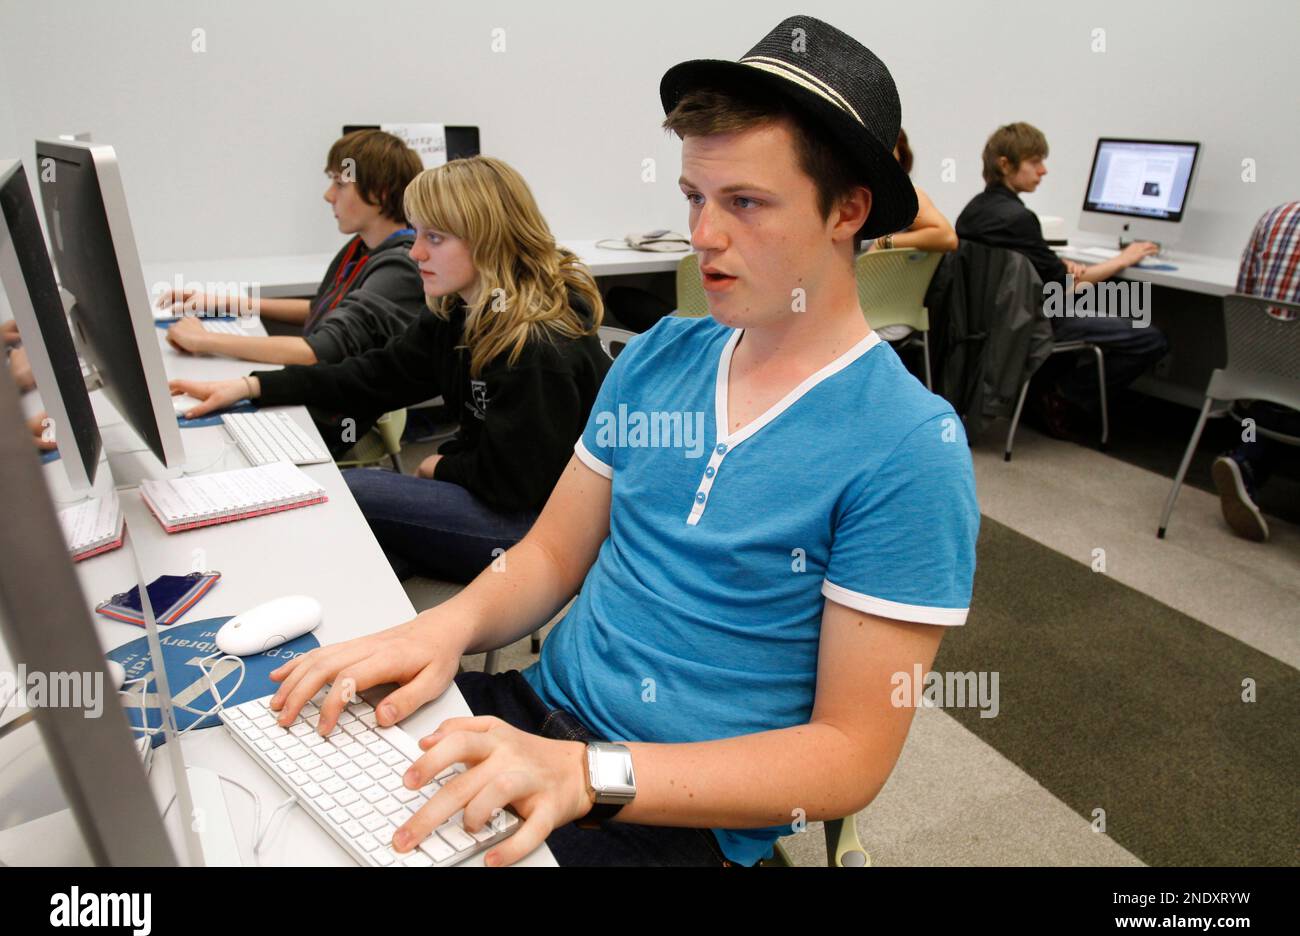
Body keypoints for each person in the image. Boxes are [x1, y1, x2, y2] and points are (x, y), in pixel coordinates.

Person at [263, 16, 979, 868]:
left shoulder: (908, 447)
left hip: (672, 810)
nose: (703, 234)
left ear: (848, 211)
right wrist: (440, 632)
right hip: (531, 715)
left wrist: (587, 773)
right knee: (283, 787)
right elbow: (551, 557)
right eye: (693, 198)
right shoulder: (663, 355)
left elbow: (848, 758)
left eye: (744, 203)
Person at [169, 157, 611, 582]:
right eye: (417, 233)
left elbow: (518, 486)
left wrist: (438, 467)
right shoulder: (455, 313)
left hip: (540, 529)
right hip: (488, 493)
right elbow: (370, 377)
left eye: (434, 238)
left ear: (488, 238)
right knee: (362, 546)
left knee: (345, 493)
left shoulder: (536, 346)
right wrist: (251, 386)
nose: (416, 252)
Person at [956, 122, 1168, 436]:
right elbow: (1065, 289)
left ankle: (1047, 396)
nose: (1043, 171)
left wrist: (1056, 265)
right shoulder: (1020, 219)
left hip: (992, 321)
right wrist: (1124, 260)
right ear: (1005, 164)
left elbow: (1021, 263)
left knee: (1106, 301)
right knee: (1150, 336)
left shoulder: (972, 211)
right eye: (1035, 162)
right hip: (1036, 320)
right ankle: (1064, 396)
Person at [157, 130, 424, 367]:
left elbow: (316, 352)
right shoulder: (362, 246)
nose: (328, 195)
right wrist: (226, 303)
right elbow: (322, 309)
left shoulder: (399, 266)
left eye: (340, 184)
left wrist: (204, 340)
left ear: (381, 193)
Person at [1211, 200, 1300, 542]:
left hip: (1254, 376)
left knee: (1271, 401)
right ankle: (1247, 462)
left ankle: (1245, 462)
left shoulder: (1276, 216)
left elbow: (1244, 296)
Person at [866, 129, 957, 254]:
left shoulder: (902, 196)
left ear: (900, 157)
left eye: (888, 150)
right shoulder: (853, 192)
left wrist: (884, 242)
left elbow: (947, 237)